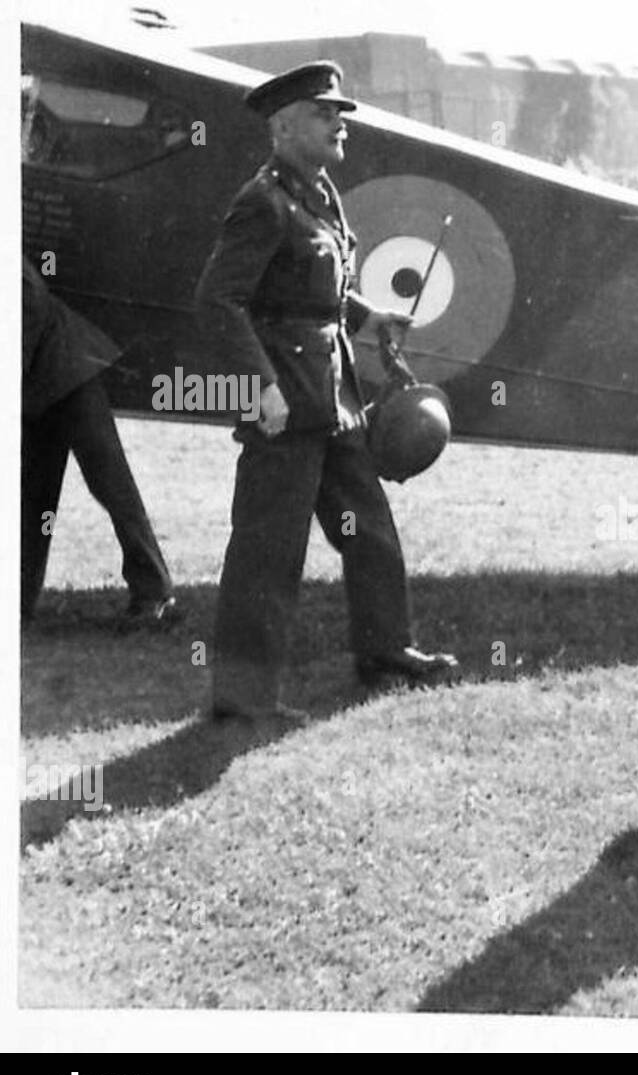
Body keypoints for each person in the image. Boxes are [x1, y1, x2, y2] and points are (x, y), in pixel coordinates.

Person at [195, 61, 457, 726]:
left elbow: (323, 291)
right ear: (284, 127)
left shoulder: (319, 193)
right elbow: (218, 302)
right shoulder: (263, 202)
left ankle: (386, 650)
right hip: (284, 407)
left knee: (369, 529)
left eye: (340, 112)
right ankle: (242, 698)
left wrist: (372, 319)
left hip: (332, 397)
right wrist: (261, 391)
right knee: (268, 549)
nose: (340, 123)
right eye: (325, 113)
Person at [22, 257, 177, 628]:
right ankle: (17, 600)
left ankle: (154, 593)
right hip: (35, 386)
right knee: (32, 495)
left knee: (111, 485)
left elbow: (30, 305)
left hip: (71, 372)